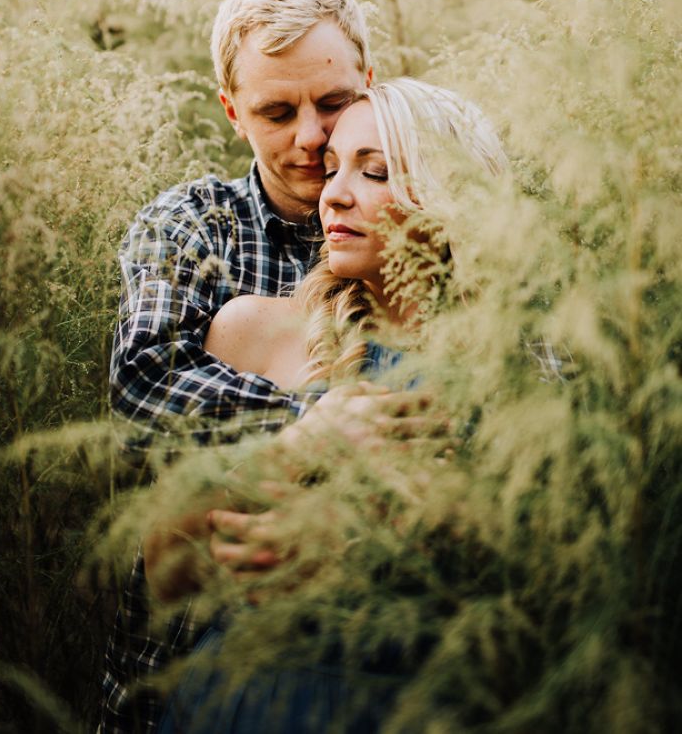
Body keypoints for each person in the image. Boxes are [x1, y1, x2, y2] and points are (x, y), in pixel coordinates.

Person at [103, 0, 418, 734]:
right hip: (195, 661)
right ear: (232, 112)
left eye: (333, 104)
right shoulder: (194, 229)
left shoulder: (426, 224)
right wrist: (318, 428)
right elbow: (147, 378)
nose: (311, 137)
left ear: (368, 85)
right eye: (278, 112)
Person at [146, 78, 508, 733]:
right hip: (239, 704)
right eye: (334, 167)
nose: (333, 193)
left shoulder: (509, 371)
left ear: (453, 196)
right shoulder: (257, 332)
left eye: (373, 172)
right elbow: (164, 573)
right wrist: (295, 450)